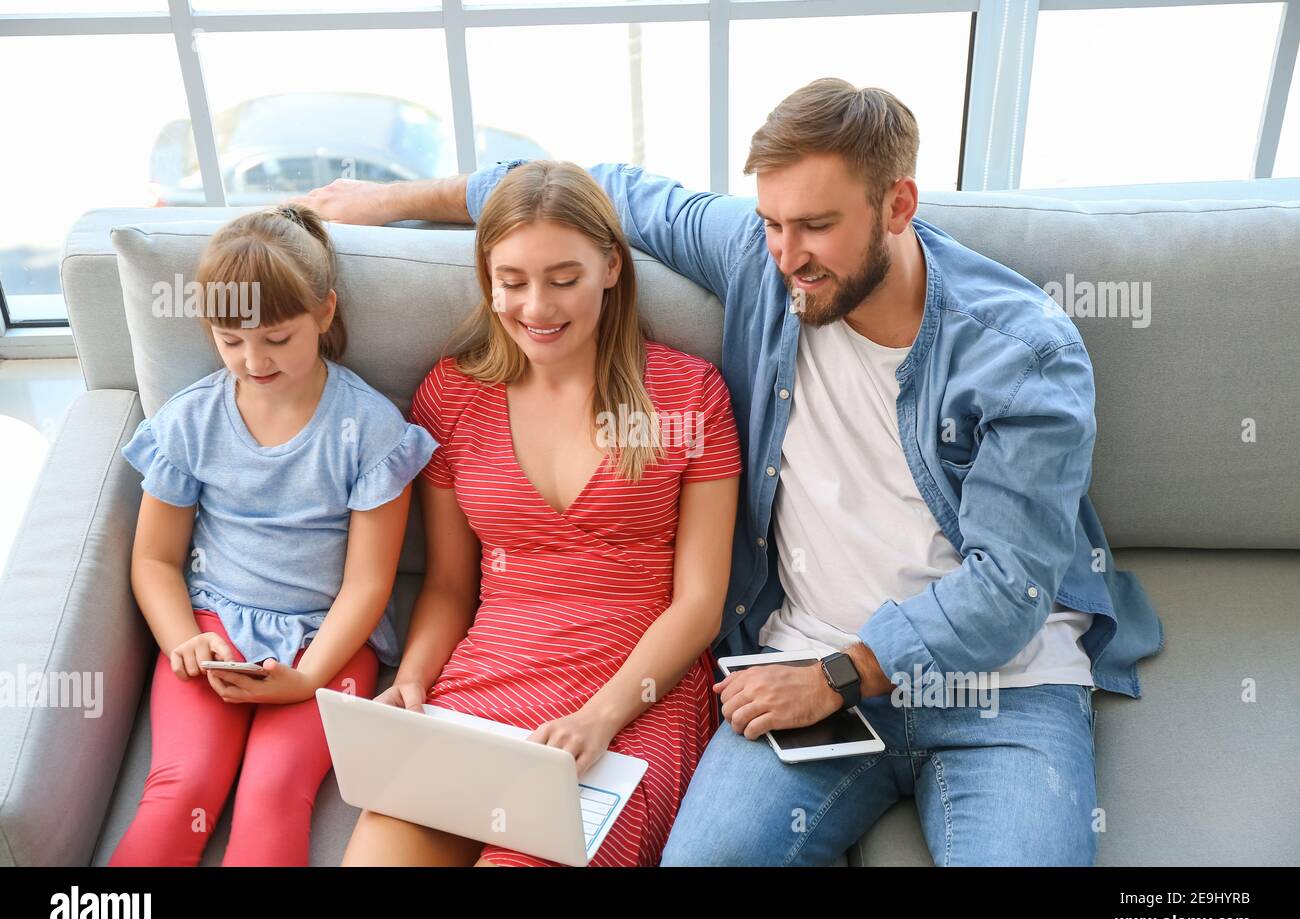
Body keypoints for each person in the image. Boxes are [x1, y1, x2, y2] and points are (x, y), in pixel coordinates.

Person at [296, 79, 1163, 866]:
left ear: (899, 204)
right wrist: (390, 198)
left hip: (996, 689)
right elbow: (594, 190)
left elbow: (1007, 594)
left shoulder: (1025, 355)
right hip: (802, 657)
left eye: (817, 226)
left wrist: (834, 677)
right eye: (773, 222)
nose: (787, 255)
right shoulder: (761, 260)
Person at [338, 160, 742, 867]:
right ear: (487, 278)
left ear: (610, 268)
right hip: (485, 681)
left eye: (564, 279)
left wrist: (600, 718)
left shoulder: (689, 394)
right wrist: (413, 681)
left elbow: (700, 603)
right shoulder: (453, 395)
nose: (537, 308)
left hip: (634, 696)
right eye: (513, 281)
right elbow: (448, 587)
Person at [109, 203, 435, 866]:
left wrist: (309, 675)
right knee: (181, 787)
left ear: (324, 313)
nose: (253, 360)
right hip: (213, 629)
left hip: (329, 646)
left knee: (273, 791)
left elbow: (369, 582)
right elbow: (154, 560)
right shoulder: (192, 422)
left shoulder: (369, 428)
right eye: (231, 341)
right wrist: (185, 641)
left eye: (277, 338)